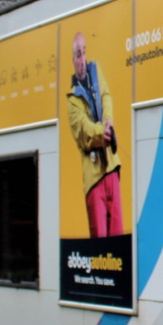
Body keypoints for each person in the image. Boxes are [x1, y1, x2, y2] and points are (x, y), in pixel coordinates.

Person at [67, 31, 123, 237]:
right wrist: (103, 133)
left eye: (84, 53)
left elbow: (106, 96)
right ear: (73, 60)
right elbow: (85, 132)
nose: (82, 60)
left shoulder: (96, 71)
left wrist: (109, 120)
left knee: (117, 236)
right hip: (93, 180)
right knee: (100, 241)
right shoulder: (72, 101)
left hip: (111, 168)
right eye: (78, 55)